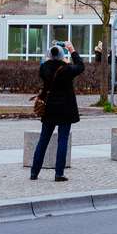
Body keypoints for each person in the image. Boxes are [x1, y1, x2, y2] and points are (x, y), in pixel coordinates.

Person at [29, 41, 83, 181]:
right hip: (65, 109)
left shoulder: (44, 68)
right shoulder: (67, 69)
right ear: (62, 55)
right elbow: (80, 66)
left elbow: (45, 63)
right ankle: (59, 173)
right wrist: (71, 49)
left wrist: (50, 58)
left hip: (49, 108)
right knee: (62, 140)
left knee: (43, 140)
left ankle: (34, 172)